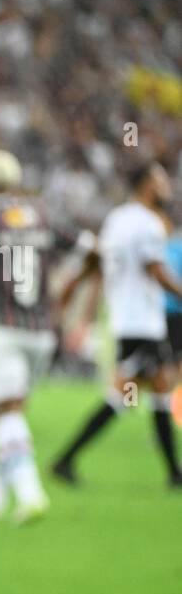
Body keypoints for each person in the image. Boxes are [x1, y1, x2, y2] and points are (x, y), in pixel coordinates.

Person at [0, 149, 98, 522]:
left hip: (2, 328)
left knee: (5, 412)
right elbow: (92, 250)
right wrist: (68, 290)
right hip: (42, 332)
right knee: (12, 412)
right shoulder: (43, 213)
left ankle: (31, 494)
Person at [51, 163, 182, 487]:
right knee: (124, 395)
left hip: (127, 318)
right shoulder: (150, 224)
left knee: (160, 388)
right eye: (161, 181)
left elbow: (98, 258)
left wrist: (74, 283)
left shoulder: (116, 219)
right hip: (143, 322)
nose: (166, 187)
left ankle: (174, 474)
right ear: (148, 186)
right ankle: (65, 459)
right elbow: (155, 269)